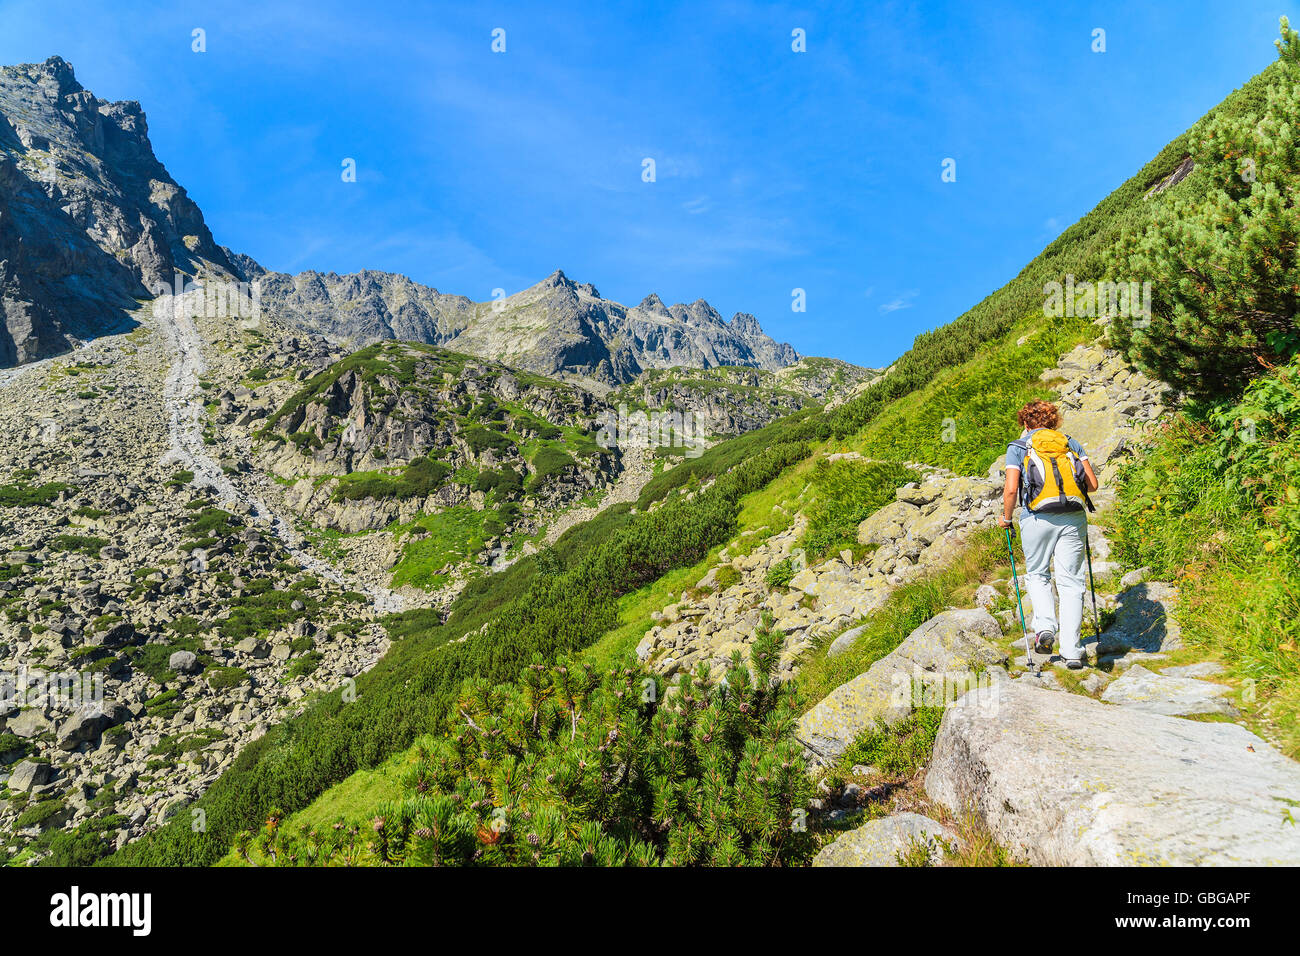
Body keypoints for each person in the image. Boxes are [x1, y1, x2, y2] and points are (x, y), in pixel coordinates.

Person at [997, 400, 1100, 669]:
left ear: (1025, 422)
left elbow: (1010, 489)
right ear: (1054, 420)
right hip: (1073, 517)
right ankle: (1073, 651)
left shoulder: (1018, 447)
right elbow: (1093, 484)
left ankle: (1044, 629)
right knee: (1071, 583)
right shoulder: (1071, 444)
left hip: (1036, 518)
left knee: (1038, 574)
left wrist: (1006, 519)